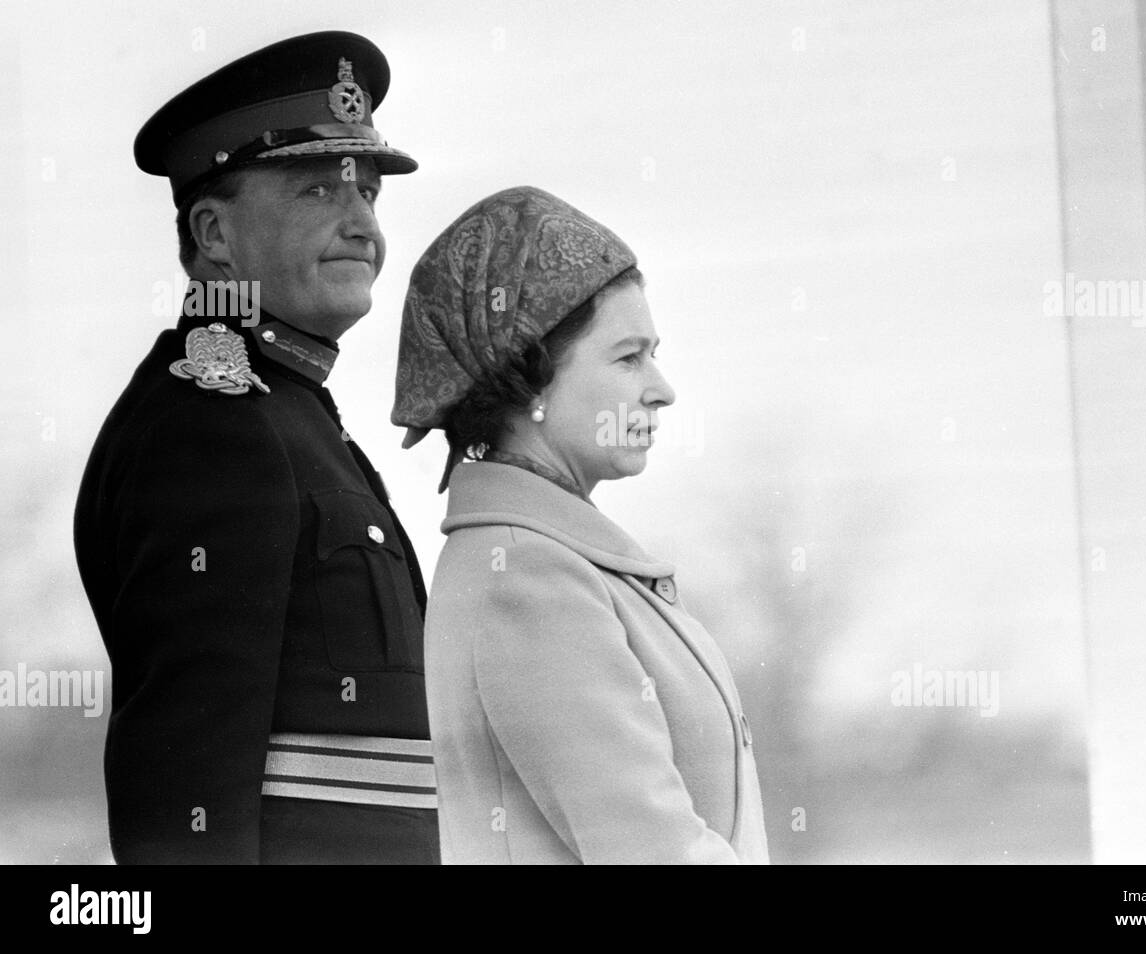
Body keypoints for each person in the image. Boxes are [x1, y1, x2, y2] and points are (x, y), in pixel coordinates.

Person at [74, 32, 439, 863]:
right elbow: (181, 778)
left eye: (370, 196)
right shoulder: (212, 423)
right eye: (320, 190)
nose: (362, 224)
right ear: (215, 235)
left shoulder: (286, 410)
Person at [391, 186, 770, 863]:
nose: (661, 387)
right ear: (531, 381)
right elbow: (650, 850)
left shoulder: (551, 559)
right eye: (628, 357)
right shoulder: (529, 579)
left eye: (654, 353)